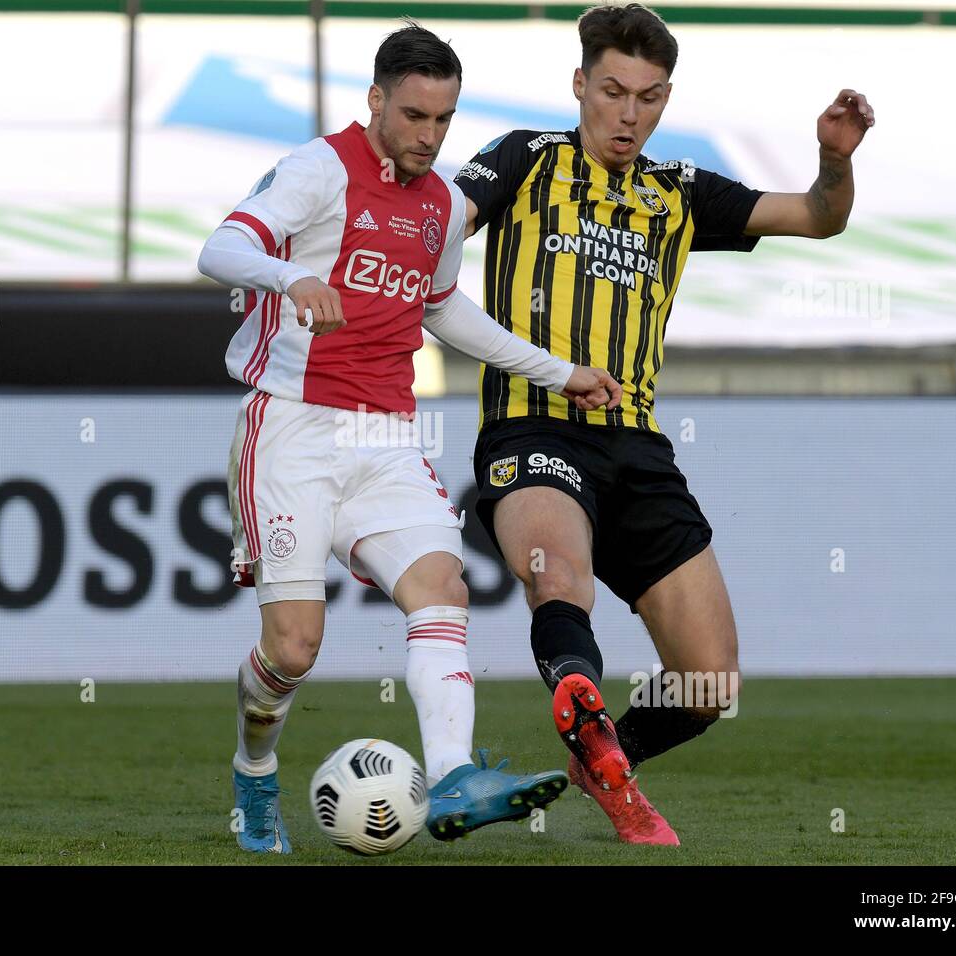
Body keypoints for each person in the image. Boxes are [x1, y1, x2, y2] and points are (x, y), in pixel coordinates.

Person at [452, 1, 875, 845]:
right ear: (581, 85)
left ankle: (606, 751)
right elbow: (439, 229)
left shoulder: (679, 192)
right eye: (612, 91)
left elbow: (821, 215)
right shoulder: (524, 161)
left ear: (665, 98)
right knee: (557, 577)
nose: (628, 113)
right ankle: (583, 702)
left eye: (648, 97)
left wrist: (833, 161)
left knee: (711, 683)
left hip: (639, 451)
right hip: (534, 427)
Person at [197, 22, 623, 854]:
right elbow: (221, 248)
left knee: (443, 593)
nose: (429, 136)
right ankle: (254, 776)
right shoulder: (322, 169)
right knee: (292, 650)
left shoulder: (439, 205)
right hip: (292, 428)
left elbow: (440, 306)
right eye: (415, 115)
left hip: (387, 436)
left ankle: (456, 775)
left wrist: (556, 371)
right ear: (376, 100)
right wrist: (295, 275)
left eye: (444, 119)